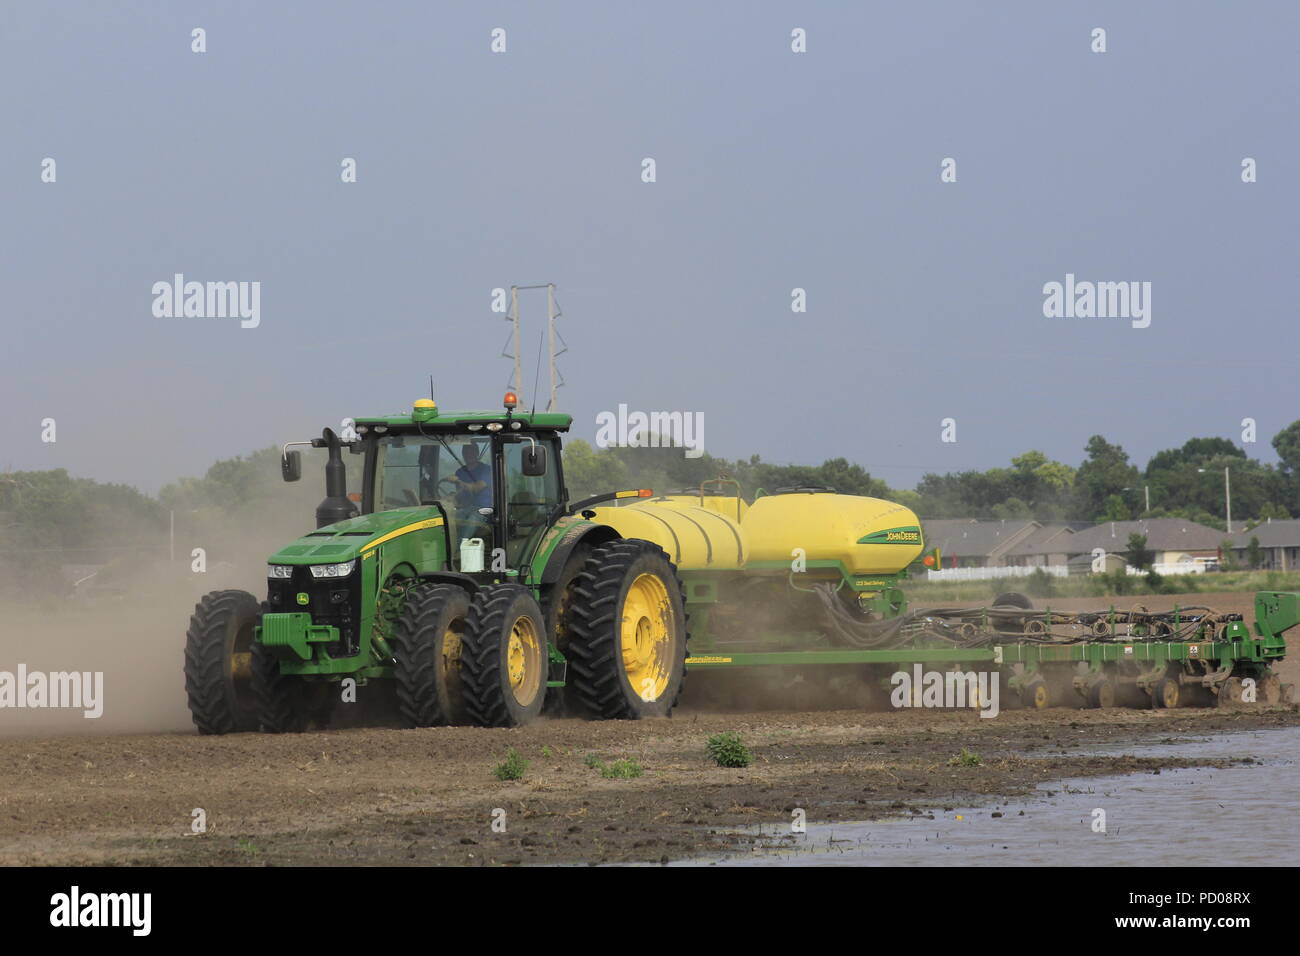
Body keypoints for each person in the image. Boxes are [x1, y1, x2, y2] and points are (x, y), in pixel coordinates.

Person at [449, 442, 493, 516]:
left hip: (482, 510)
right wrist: (451, 497)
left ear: (477, 453)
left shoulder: (487, 470)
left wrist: (458, 481)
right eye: (466, 452)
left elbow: (476, 487)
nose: (469, 455)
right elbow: (460, 493)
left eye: (472, 452)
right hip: (464, 509)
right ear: (463, 454)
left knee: (471, 522)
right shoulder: (459, 472)